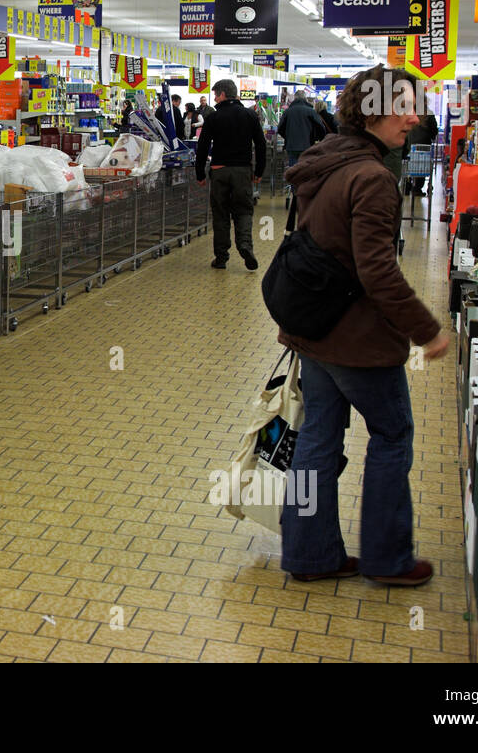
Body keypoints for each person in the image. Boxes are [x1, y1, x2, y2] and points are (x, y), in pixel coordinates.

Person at [277, 64, 449, 587]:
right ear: (375, 110)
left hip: (314, 328)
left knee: (317, 440)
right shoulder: (372, 177)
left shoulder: (325, 161)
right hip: (356, 339)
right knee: (392, 435)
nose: (414, 118)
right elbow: (377, 270)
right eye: (405, 107)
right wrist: (427, 330)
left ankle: (310, 554)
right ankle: (388, 559)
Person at [195, 79, 266, 271]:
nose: (215, 99)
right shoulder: (250, 115)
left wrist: (199, 173)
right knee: (243, 210)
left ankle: (221, 258)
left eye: (216, 95)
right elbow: (261, 144)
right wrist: (259, 171)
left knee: (220, 214)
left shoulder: (213, 118)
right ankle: (245, 246)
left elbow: (202, 147)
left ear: (223, 95)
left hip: (219, 171)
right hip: (243, 171)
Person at [276, 90, 324, 168]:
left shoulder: (288, 112)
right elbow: (321, 128)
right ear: (305, 99)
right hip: (307, 146)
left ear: (294, 99)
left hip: (292, 146)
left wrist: (288, 137)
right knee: (305, 171)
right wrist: (315, 138)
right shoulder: (311, 111)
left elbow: (280, 128)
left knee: (293, 170)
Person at [403, 109, 440, 195]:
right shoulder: (429, 114)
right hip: (424, 145)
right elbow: (434, 129)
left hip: (409, 144)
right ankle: (417, 188)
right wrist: (432, 136)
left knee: (408, 164)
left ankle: (407, 186)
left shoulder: (408, 112)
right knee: (421, 166)